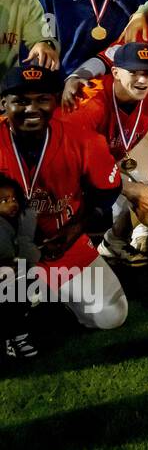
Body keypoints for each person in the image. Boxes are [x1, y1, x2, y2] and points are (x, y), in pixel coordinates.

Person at [0, 62, 127, 330]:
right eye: (20, 101)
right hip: (5, 252)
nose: (32, 109)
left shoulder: (82, 139)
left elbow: (107, 192)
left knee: (111, 315)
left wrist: (74, 230)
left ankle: (50, 299)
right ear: (3, 104)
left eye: (42, 100)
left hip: (61, 244)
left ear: (55, 102)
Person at [59, 42, 148, 266]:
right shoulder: (89, 103)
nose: (142, 80)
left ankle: (115, 242)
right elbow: (72, 164)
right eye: (133, 72)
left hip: (116, 152)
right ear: (115, 72)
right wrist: (128, 187)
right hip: (69, 165)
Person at [0, 175, 41, 360]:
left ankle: (19, 337)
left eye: (14, 199)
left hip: (16, 279)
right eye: (4, 200)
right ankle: (10, 338)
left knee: (19, 295)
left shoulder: (21, 221)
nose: (12, 204)